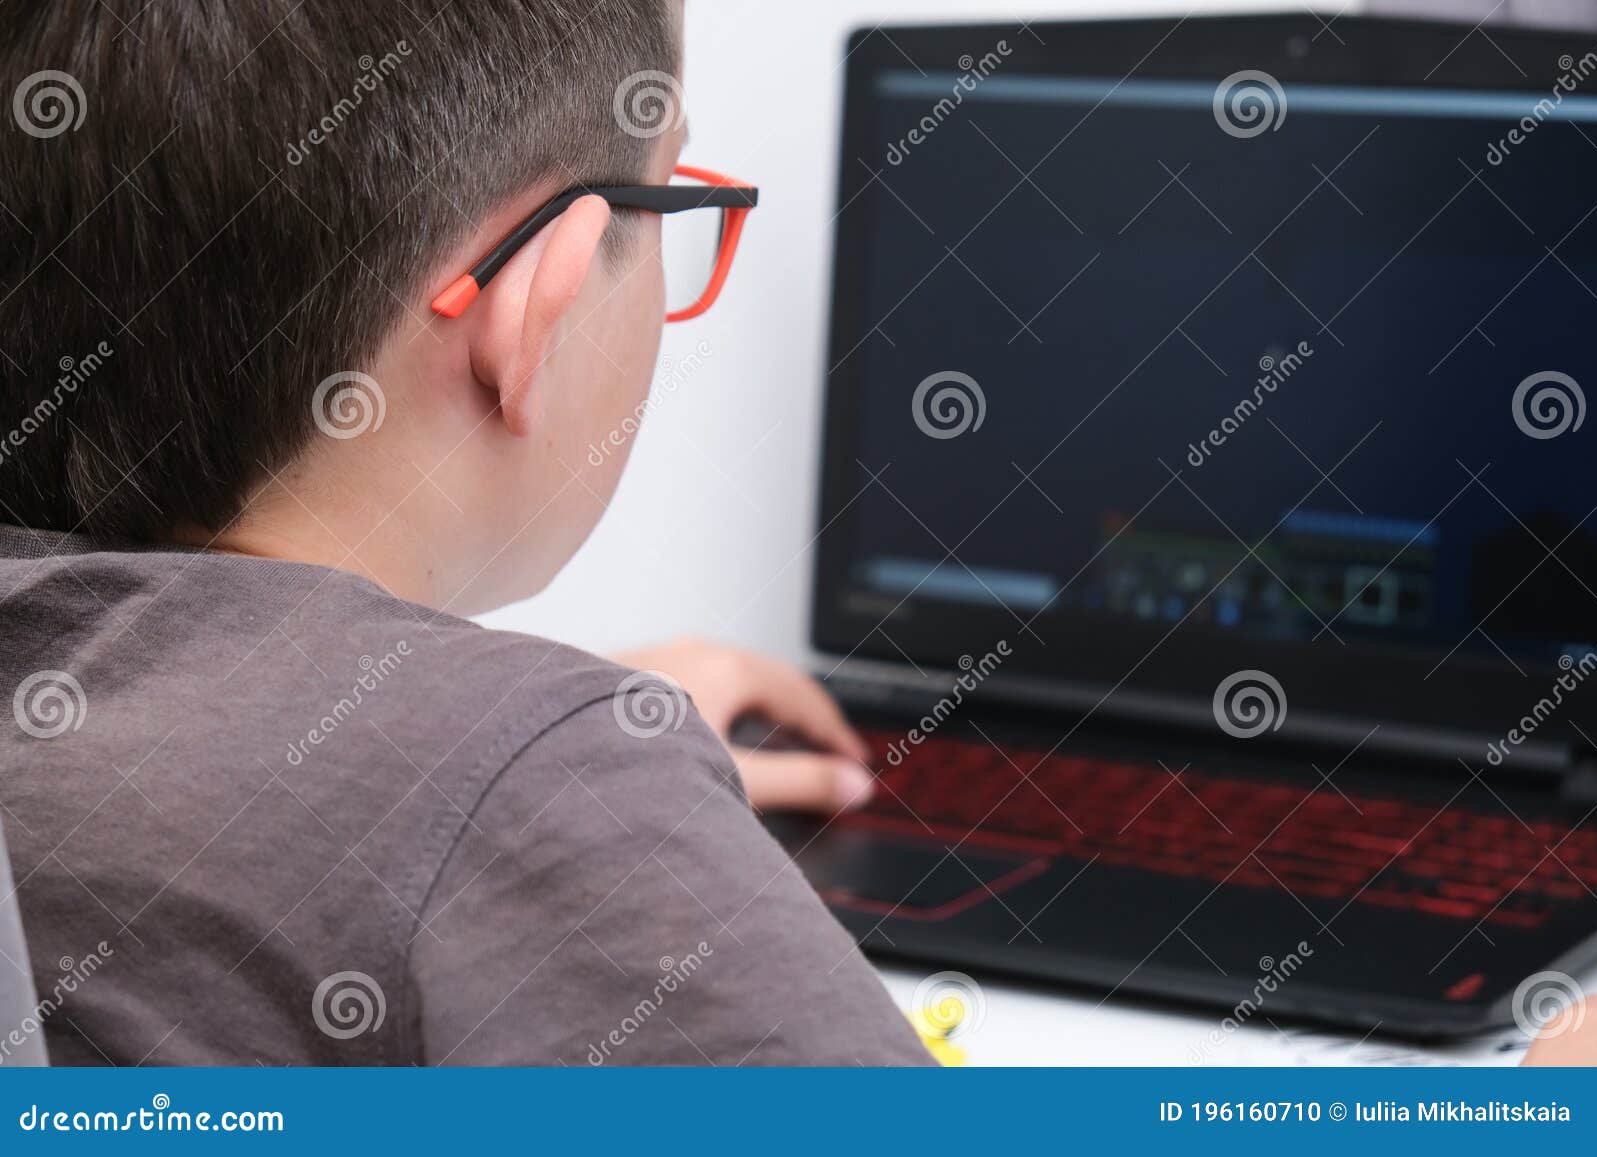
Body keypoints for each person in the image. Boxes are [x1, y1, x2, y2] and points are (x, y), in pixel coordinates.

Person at [0, 0, 929, 1066]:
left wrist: (502, 768)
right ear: (533, 302)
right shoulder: (544, 793)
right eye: (670, 193)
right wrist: (553, 792)